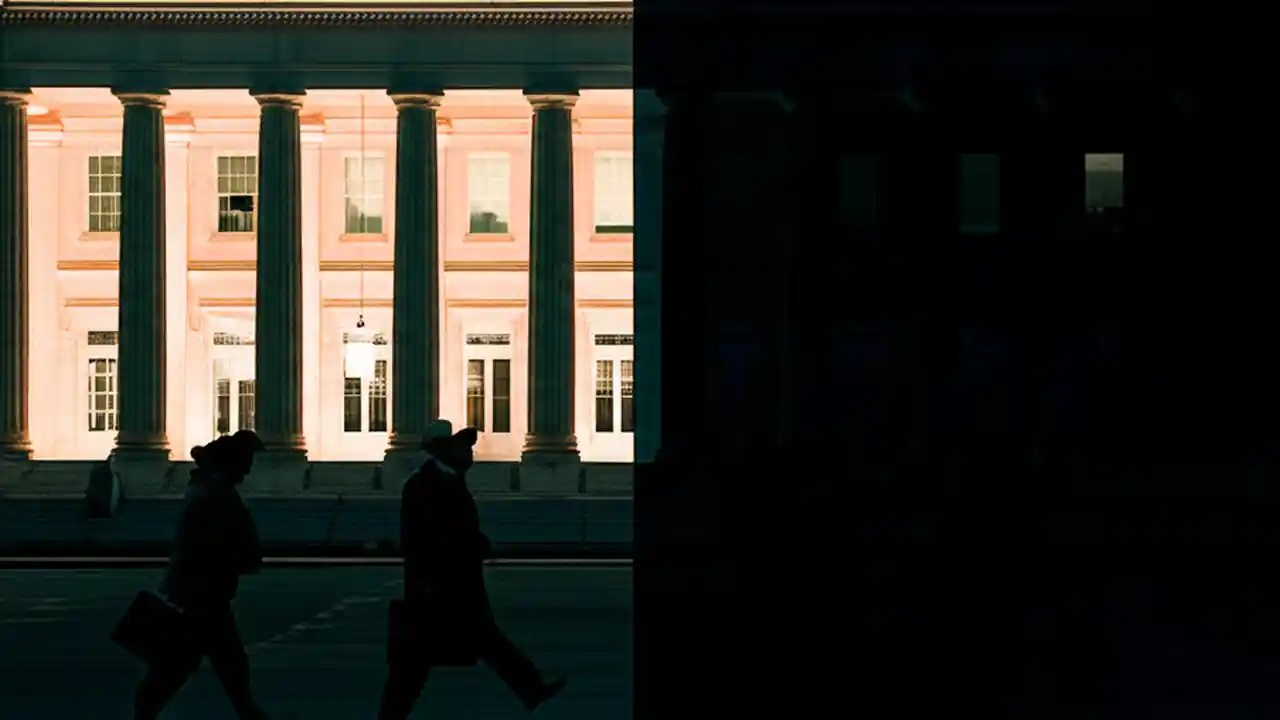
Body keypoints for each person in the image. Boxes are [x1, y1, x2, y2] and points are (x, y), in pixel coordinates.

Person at [378, 420, 567, 718]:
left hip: (458, 586)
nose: (469, 453)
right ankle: (532, 688)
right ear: (442, 449)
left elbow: (455, 530)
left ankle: (532, 688)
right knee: (415, 663)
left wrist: (476, 543)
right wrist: (426, 581)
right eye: (461, 446)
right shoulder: (423, 486)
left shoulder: (448, 481)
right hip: (439, 589)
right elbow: (418, 539)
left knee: (482, 642)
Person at [133, 430, 271, 720]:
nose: (248, 468)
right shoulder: (216, 496)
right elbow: (215, 546)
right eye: (245, 461)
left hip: (203, 595)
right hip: (204, 597)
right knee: (209, 667)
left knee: (188, 667)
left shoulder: (211, 492)